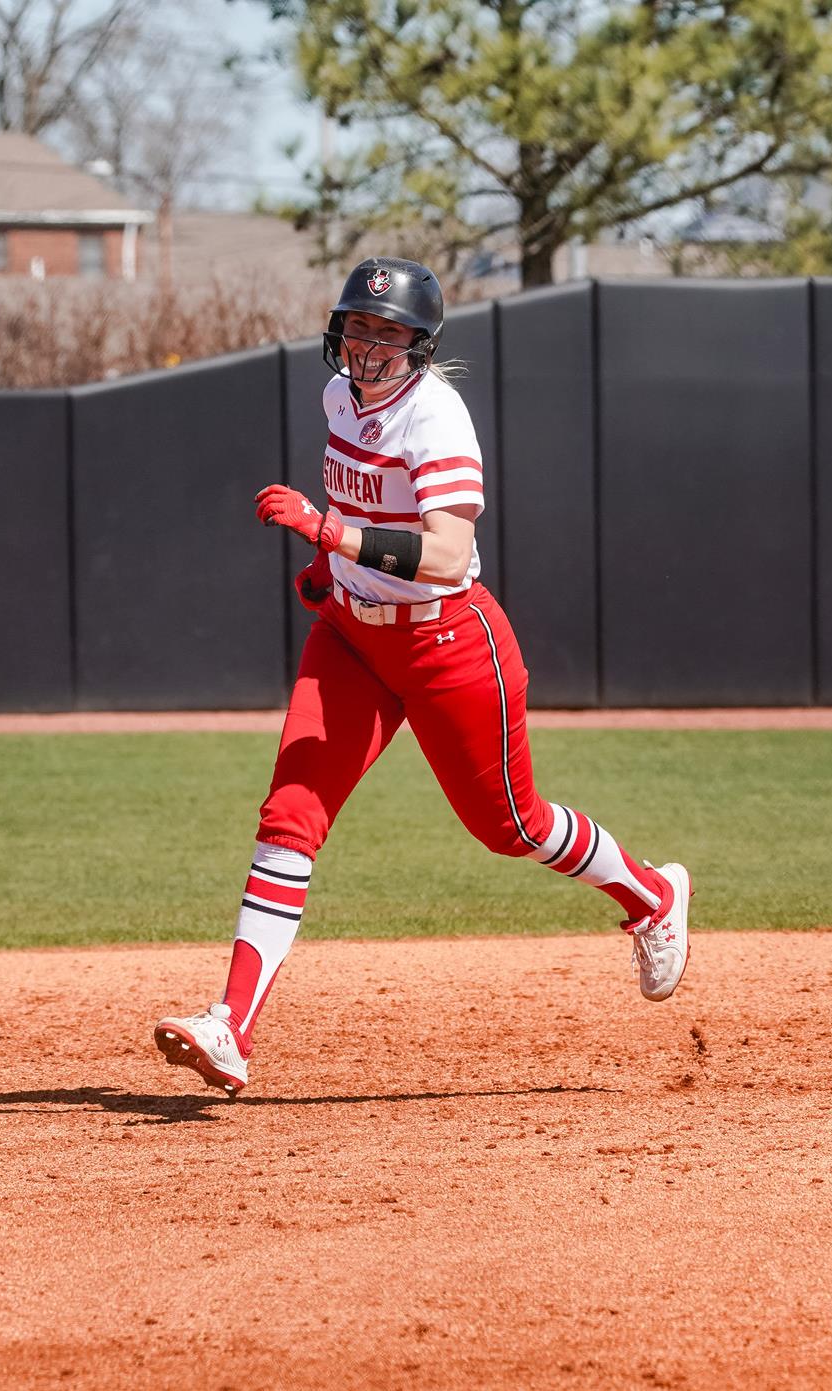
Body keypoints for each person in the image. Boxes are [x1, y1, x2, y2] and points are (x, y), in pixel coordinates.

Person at [152, 257, 691, 1096]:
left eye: (388, 332)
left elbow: (442, 555)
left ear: (421, 344)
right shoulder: (339, 398)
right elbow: (370, 516)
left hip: (448, 641)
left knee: (512, 825)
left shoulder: (437, 418)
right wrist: (338, 576)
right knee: (291, 809)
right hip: (352, 639)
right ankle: (231, 1028)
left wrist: (330, 537)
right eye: (359, 326)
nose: (369, 346)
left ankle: (651, 894)